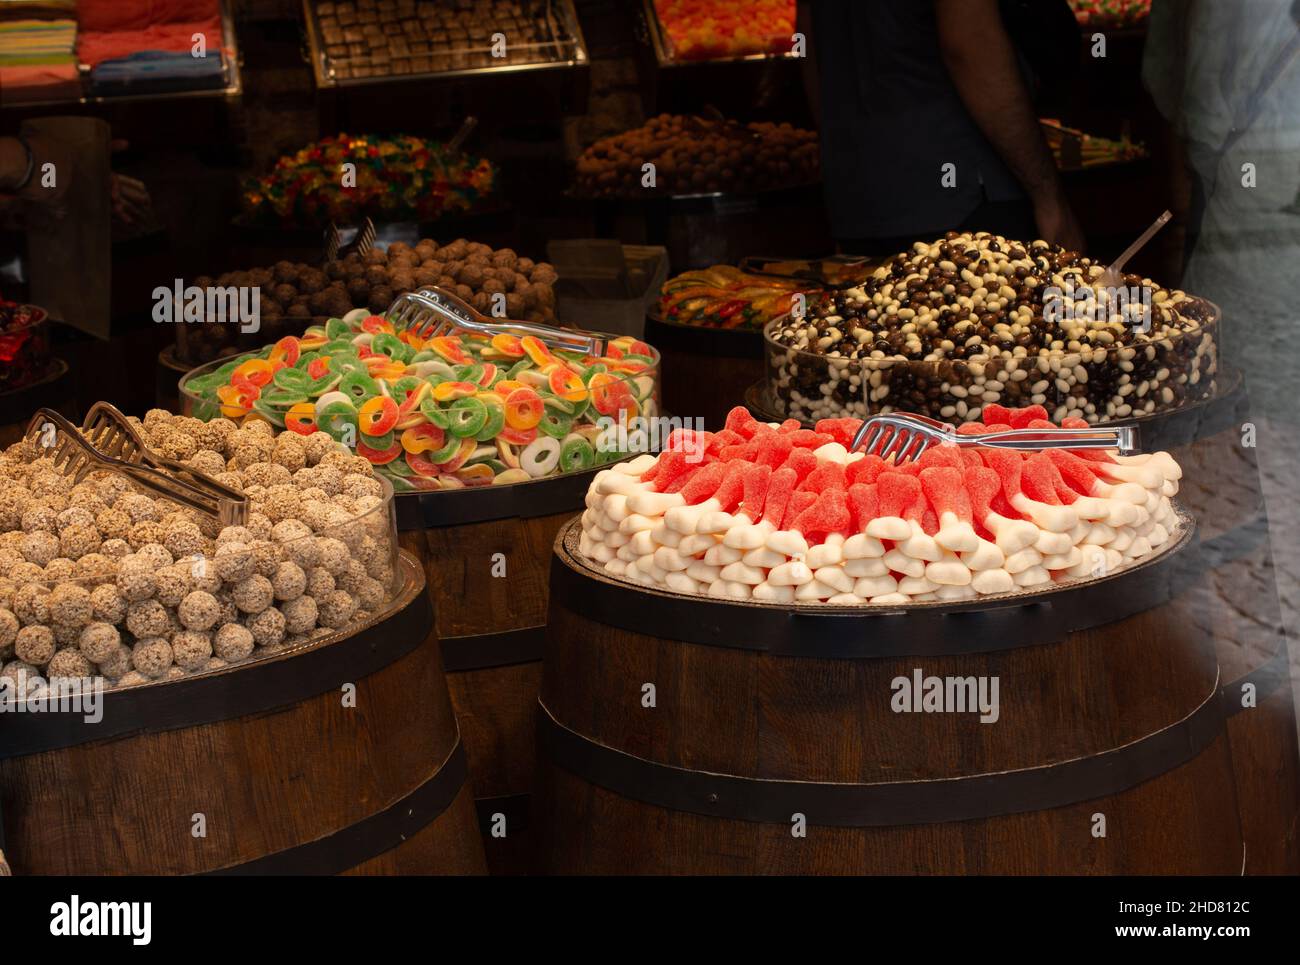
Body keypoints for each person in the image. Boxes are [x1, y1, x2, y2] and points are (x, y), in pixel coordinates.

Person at [799, 0, 1085, 254]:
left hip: (863, 201)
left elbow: (810, 49)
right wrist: (1049, 198)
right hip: (962, 202)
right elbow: (970, 48)